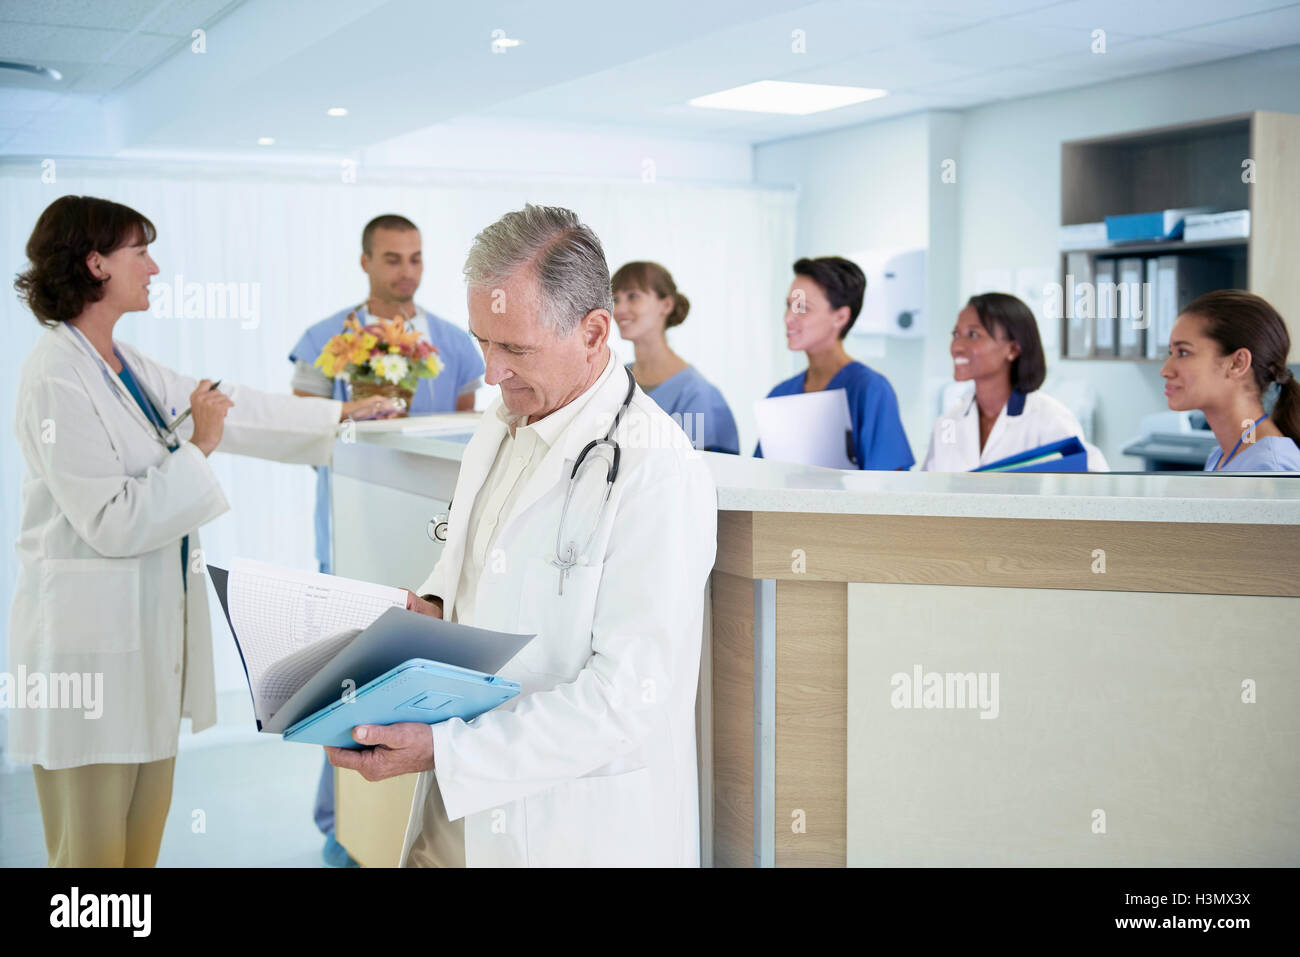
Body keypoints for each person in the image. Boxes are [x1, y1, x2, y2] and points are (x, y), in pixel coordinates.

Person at [325, 204, 717, 867]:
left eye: (515, 347)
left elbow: (628, 697)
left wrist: (447, 750)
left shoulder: (657, 469)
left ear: (595, 332)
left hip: (568, 830)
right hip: (456, 821)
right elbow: (469, 581)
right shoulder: (499, 425)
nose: (490, 372)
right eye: (483, 341)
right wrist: (428, 614)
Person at [8, 195, 393, 867]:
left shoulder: (120, 362)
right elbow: (112, 519)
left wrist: (337, 416)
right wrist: (200, 449)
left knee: (136, 852)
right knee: (91, 860)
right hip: (89, 662)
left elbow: (223, 404)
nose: (154, 267)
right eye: (140, 253)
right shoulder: (56, 375)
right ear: (95, 263)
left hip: (142, 653)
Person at [289, 213, 485, 866]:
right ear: (366, 261)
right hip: (352, 528)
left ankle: (412, 819)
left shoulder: (456, 343)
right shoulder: (326, 340)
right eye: (393, 258)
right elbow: (302, 426)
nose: (407, 271)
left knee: (419, 674)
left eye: (417, 258)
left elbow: (469, 443)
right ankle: (343, 824)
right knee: (345, 676)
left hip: (431, 533)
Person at [756, 256, 913, 470]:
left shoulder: (869, 390)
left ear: (840, 317)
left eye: (802, 308)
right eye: (788, 305)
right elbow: (758, 480)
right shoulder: (781, 395)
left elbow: (890, 487)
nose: (788, 317)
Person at [923, 292, 1109, 472]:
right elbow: (926, 495)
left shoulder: (1049, 419)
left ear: (1013, 348)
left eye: (973, 335)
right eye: (956, 335)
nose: (957, 347)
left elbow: (1092, 485)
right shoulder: (947, 423)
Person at [1161, 289, 1300, 471]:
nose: (1165, 371)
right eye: (1171, 352)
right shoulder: (1221, 456)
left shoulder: (1269, 469)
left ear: (1237, 363)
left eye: (1184, 352)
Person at [611, 261, 739, 454]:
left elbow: (700, 476)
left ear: (667, 304)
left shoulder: (696, 394)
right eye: (615, 299)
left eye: (633, 297)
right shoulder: (615, 379)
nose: (619, 310)